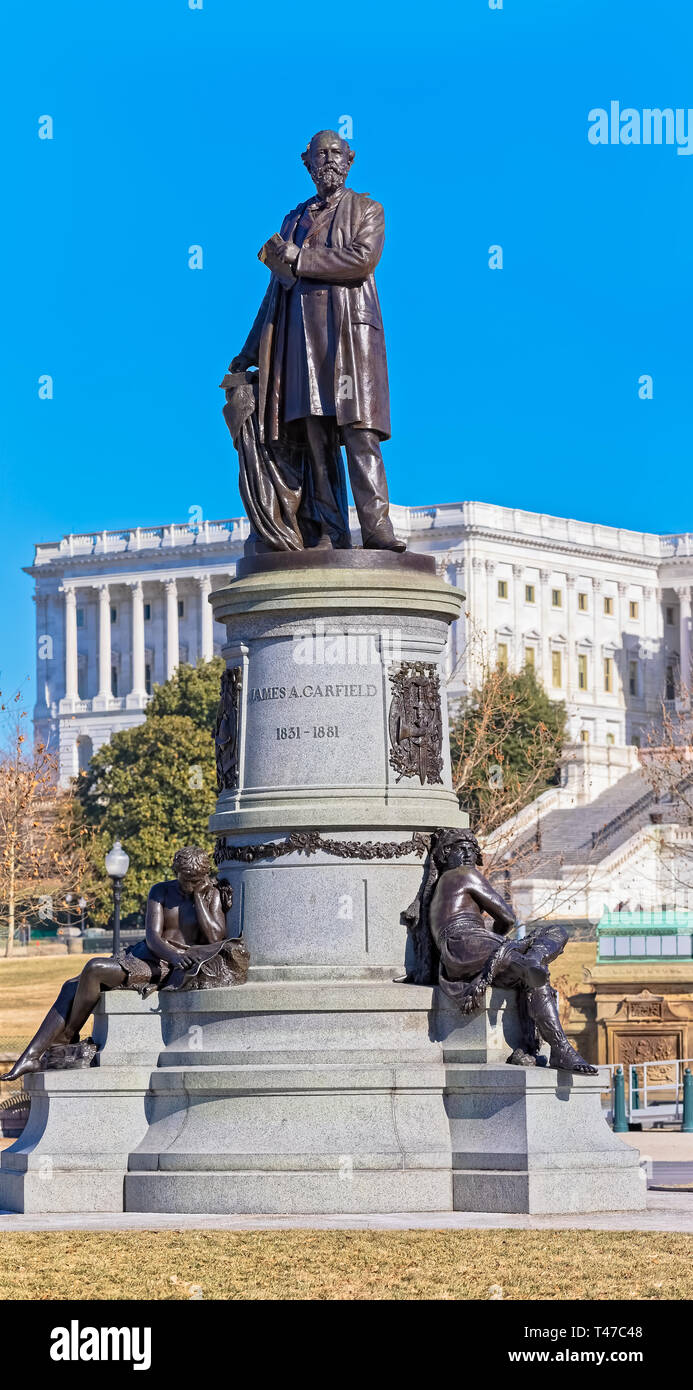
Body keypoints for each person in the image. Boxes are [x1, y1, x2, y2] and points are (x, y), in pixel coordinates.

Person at [228, 129, 405, 553]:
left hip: (348, 340)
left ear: (350, 159)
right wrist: (249, 351)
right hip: (300, 344)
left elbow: (361, 260)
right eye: (320, 154)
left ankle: (377, 527)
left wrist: (300, 258)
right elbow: (274, 291)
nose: (328, 160)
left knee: (360, 432)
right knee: (316, 439)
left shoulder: (367, 209)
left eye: (336, 152)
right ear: (306, 163)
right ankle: (330, 531)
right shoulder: (292, 220)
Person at [2, 846, 247, 1081]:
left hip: (165, 967)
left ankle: (64, 1038)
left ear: (204, 876)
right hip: (151, 954)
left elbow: (216, 936)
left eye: (196, 880)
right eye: (186, 880)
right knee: (70, 986)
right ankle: (32, 1055)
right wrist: (174, 955)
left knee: (95, 968)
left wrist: (198, 899)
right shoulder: (160, 891)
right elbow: (152, 937)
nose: (190, 885)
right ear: (177, 873)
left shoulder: (211, 894)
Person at [402, 828, 598, 1074]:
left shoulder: (440, 885)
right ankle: (560, 1047)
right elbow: (507, 918)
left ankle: (531, 962)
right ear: (444, 854)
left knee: (534, 965)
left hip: (456, 954)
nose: (467, 855)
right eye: (460, 849)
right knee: (556, 933)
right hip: (467, 941)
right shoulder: (463, 874)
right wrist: (495, 937)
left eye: (472, 850)